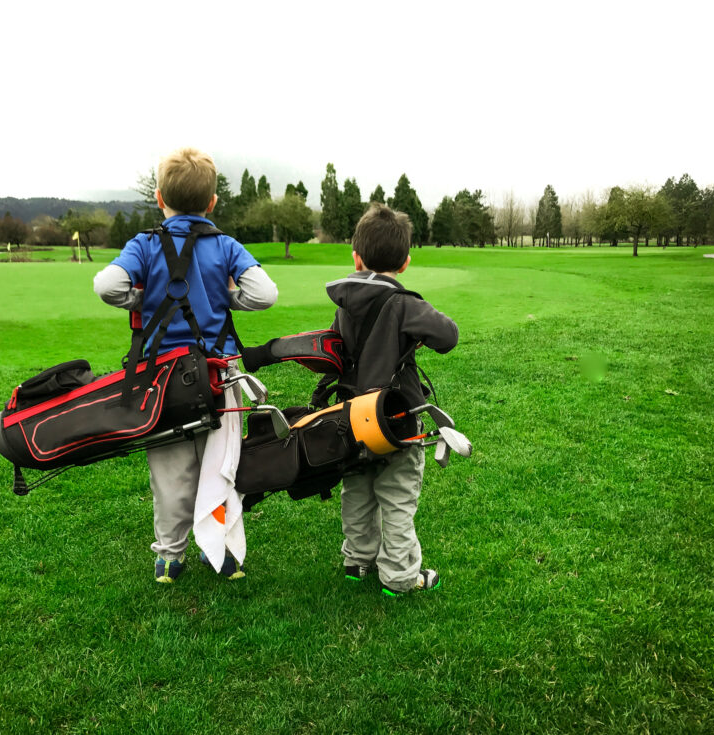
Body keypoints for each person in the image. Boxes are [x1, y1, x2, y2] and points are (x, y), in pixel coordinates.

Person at [93, 147, 278, 583]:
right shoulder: (225, 245)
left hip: (161, 380)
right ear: (212, 203)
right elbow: (265, 294)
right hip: (221, 376)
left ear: (160, 198)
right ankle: (225, 554)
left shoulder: (144, 243)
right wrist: (226, 297)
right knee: (222, 467)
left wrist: (142, 300)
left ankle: (170, 558)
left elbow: (106, 285)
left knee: (171, 474)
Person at [322, 203, 459, 597]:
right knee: (397, 496)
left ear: (356, 257)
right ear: (405, 263)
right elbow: (447, 336)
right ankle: (400, 577)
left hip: (350, 418)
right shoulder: (404, 304)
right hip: (395, 420)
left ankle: (357, 561)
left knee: (358, 489)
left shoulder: (344, 303)